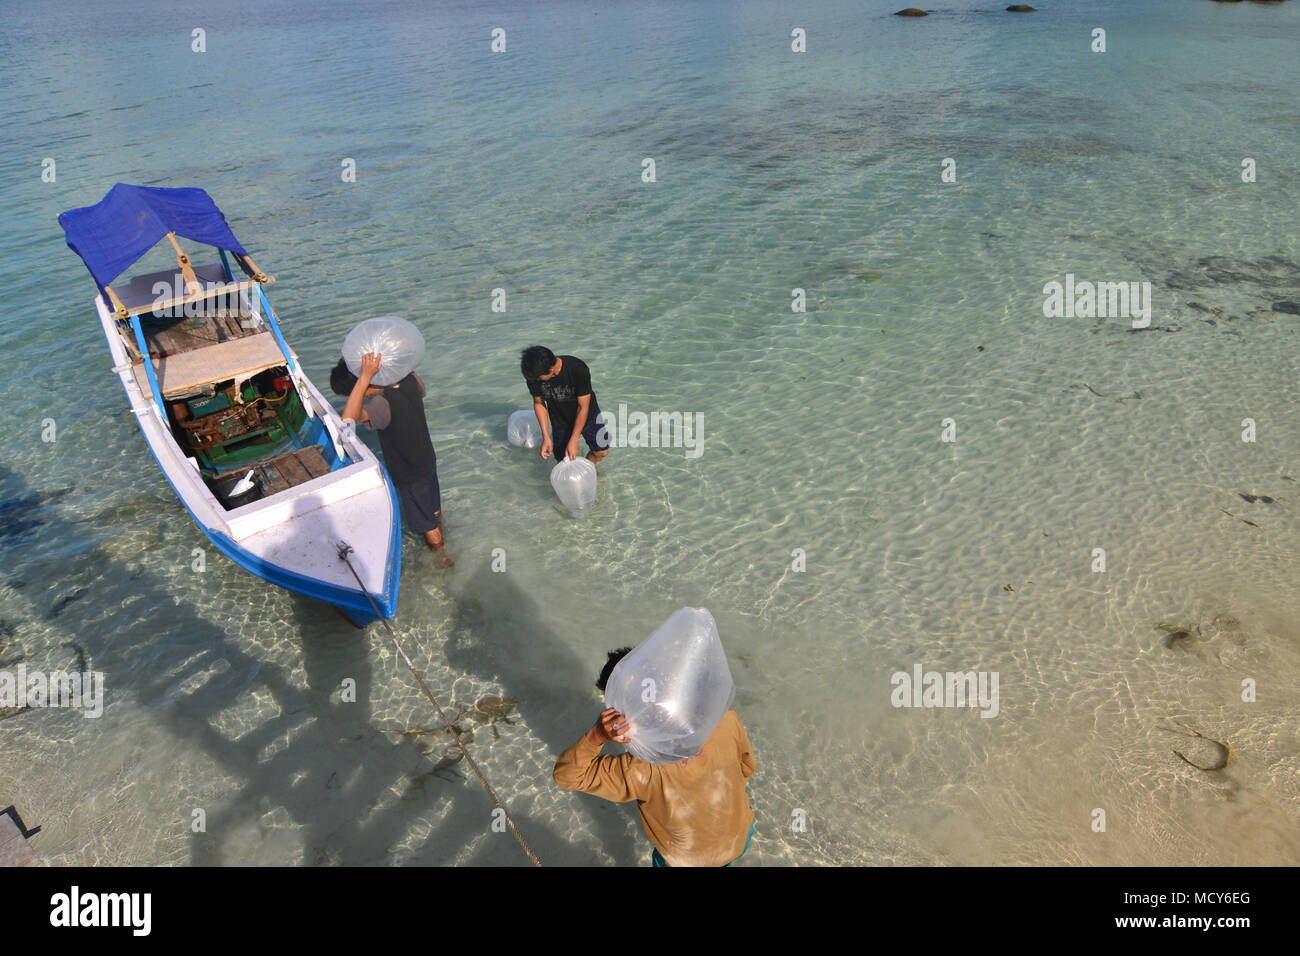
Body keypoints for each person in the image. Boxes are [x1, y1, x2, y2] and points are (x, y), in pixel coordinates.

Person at [553, 648, 757, 867]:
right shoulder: (725, 719)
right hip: (738, 838)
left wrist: (596, 735)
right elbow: (746, 767)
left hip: (687, 861)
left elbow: (567, 776)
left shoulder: (641, 769)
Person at [331, 352, 451, 566]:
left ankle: (442, 559)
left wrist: (364, 377)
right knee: (432, 509)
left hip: (409, 473)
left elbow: (348, 417)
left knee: (426, 523)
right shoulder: (410, 381)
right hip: (427, 460)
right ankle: (442, 532)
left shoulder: (380, 405)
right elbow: (421, 387)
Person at [519, 346, 610, 464]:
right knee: (563, 461)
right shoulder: (534, 377)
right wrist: (546, 437)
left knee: (601, 452)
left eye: (538, 378)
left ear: (551, 369)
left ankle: (588, 469)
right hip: (560, 420)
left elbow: (583, 406)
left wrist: (574, 439)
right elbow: (539, 403)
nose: (535, 380)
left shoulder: (577, 369)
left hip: (588, 414)